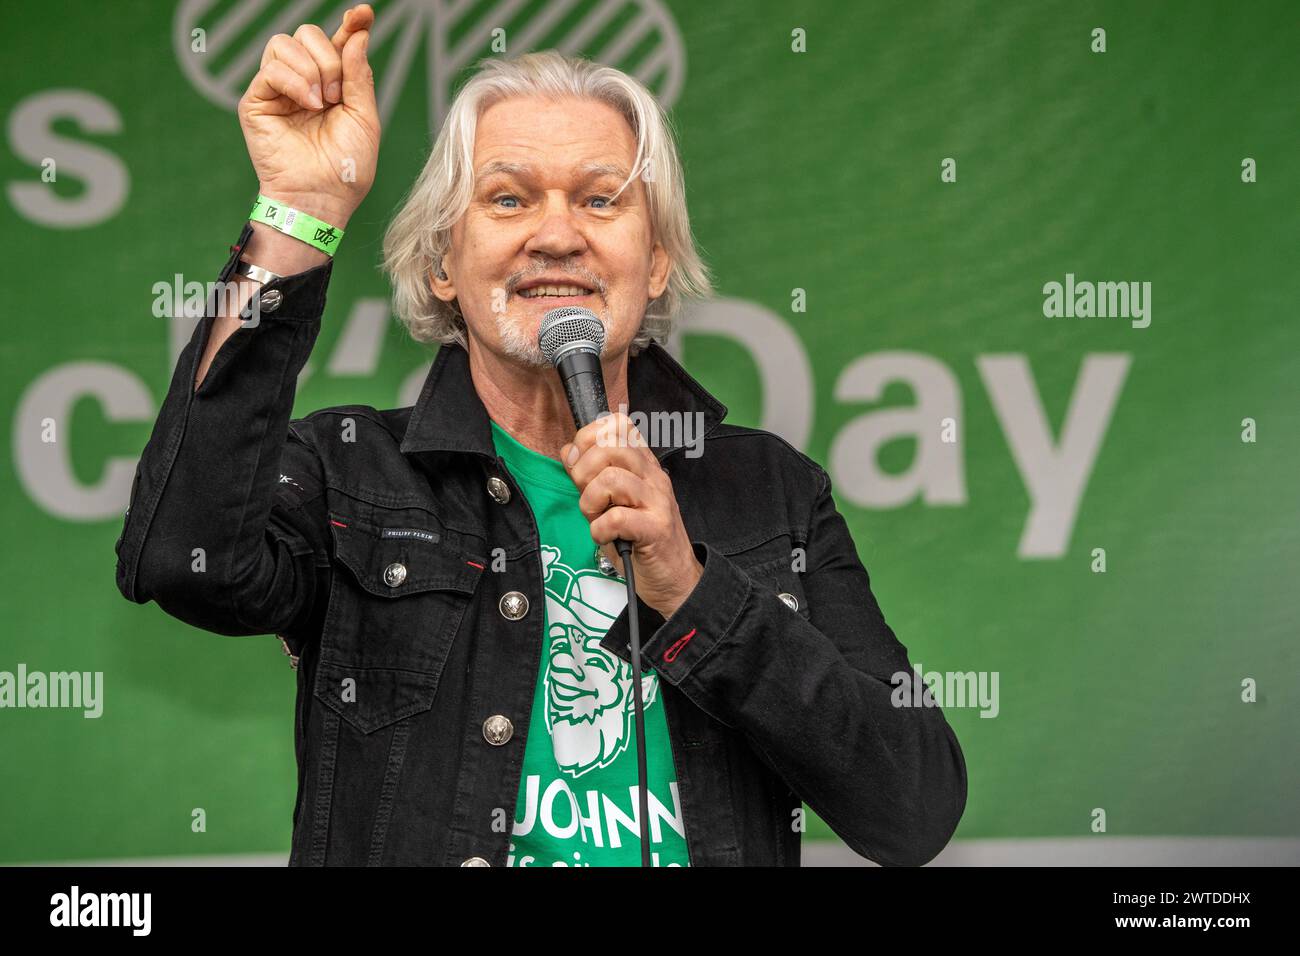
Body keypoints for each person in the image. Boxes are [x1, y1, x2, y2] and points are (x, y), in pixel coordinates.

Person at [114, 2, 967, 867]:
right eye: (509, 197)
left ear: (657, 259)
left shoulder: (771, 492)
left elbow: (915, 809)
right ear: (445, 262)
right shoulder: (352, 475)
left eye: (602, 199)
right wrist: (298, 210)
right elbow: (178, 560)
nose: (557, 234)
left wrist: (691, 588)